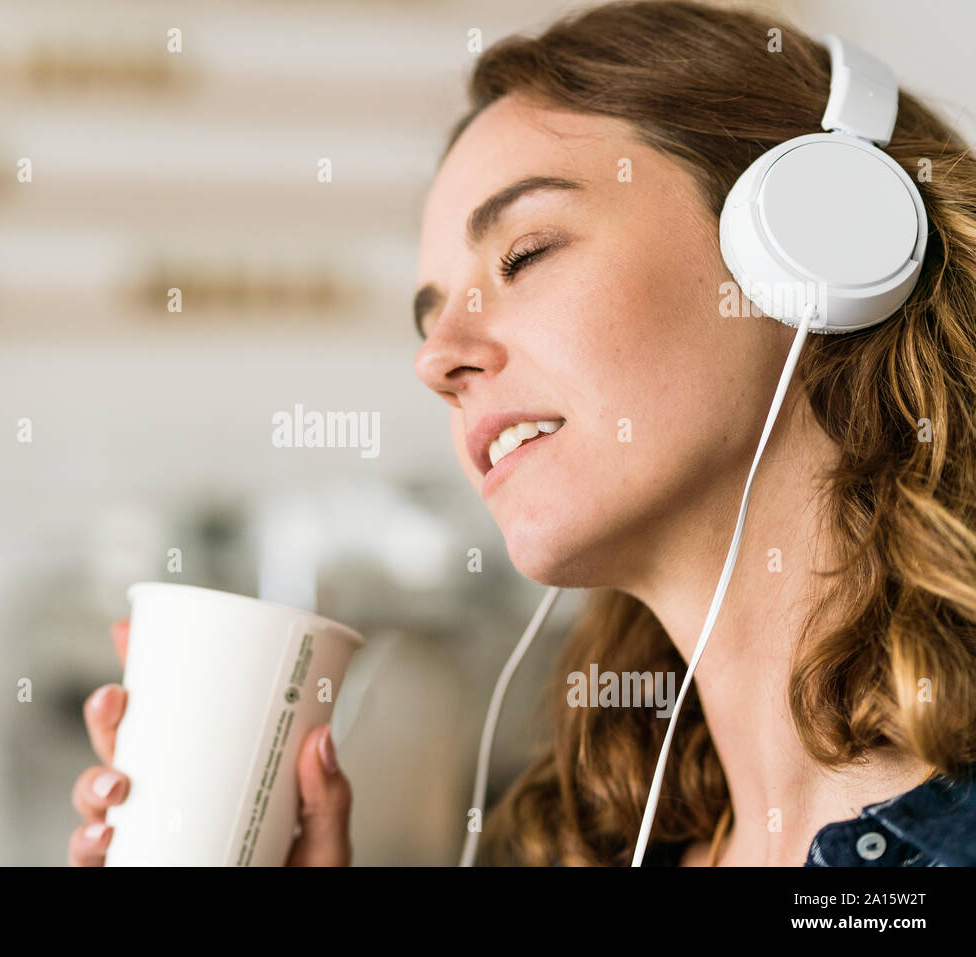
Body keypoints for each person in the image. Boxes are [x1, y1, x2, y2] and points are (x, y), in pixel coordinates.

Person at [69, 0, 976, 867]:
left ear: (814, 246)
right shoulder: (605, 843)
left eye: (524, 254)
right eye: (427, 320)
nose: (438, 361)